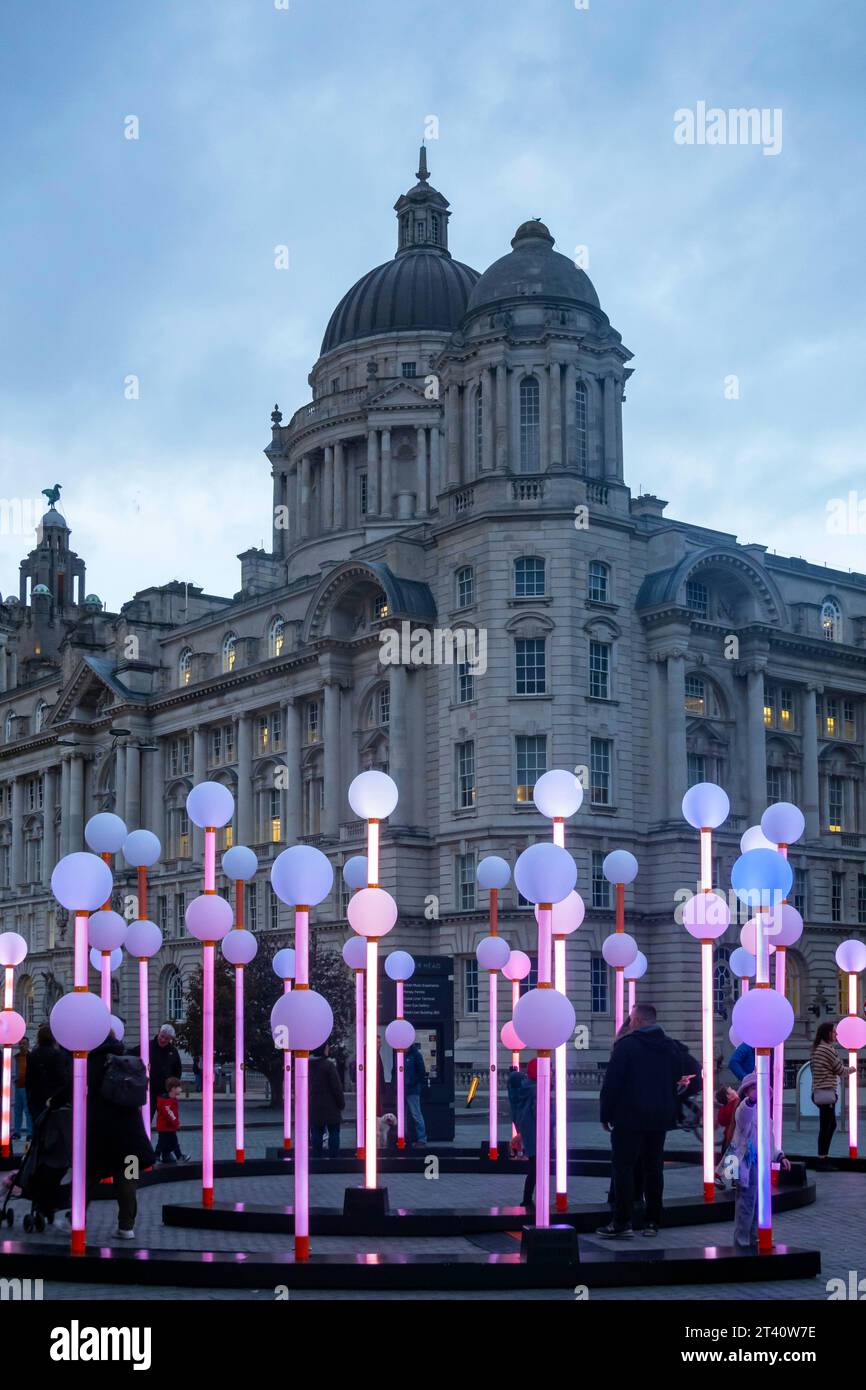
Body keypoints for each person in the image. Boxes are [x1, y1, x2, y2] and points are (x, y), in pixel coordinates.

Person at [597, 1003, 687, 1238]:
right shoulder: (669, 1047)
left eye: (631, 1018)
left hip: (628, 1117)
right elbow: (678, 1076)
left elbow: (612, 1084)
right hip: (658, 1118)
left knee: (624, 1168)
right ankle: (652, 1222)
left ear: (637, 1021)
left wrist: (605, 1115)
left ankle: (622, 1222)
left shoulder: (626, 1046)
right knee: (653, 1169)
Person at [60, 1030, 155, 1241]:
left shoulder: (93, 1062)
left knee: (88, 1177)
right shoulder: (128, 1060)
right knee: (129, 1181)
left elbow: (72, 1088)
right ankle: (126, 1226)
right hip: (131, 1138)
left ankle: (74, 1218)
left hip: (102, 1136)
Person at [729, 1072, 790, 1247]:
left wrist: (779, 1155)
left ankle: (754, 1237)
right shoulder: (744, 1108)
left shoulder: (766, 1116)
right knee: (746, 1205)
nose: (757, 1092)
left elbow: (769, 1140)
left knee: (758, 1205)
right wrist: (751, 1101)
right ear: (746, 1092)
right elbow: (744, 1116)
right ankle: (741, 1241)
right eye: (753, 1088)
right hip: (745, 1163)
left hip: (760, 1164)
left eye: (760, 1089)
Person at [811, 1021, 854, 1162]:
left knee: (830, 1124)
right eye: (834, 1032)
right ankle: (822, 1158)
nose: (836, 1034)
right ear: (827, 1033)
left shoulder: (818, 1048)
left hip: (820, 1090)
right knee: (827, 1126)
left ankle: (823, 1156)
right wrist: (853, 1069)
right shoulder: (827, 1049)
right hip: (826, 1091)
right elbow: (840, 1070)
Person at [507, 1060, 537, 1209]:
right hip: (535, 1135)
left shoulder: (519, 1092)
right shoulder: (534, 1091)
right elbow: (538, 1115)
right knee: (536, 1167)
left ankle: (527, 1199)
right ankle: (527, 1200)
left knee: (535, 1166)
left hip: (528, 1134)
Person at [25, 1023, 69, 1122]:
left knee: (38, 1127)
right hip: (53, 1098)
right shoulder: (57, 1055)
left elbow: (28, 1081)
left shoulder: (33, 1055)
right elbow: (62, 1079)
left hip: (37, 1098)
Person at [309, 1043, 345, 1156]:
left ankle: (316, 1156)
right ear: (323, 1049)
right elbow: (336, 1087)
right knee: (334, 1131)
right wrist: (341, 1103)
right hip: (331, 1105)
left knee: (316, 1131)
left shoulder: (307, 1065)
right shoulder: (328, 1065)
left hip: (313, 1104)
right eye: (327, 1047)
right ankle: (333, 1157)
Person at [155, 1077, 190, 1163]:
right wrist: (176, 1123)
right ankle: (157, 1156)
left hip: (167, 1126)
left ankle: (175, 1156)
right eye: (179, 1087)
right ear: (173, 1089)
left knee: (171, 1143)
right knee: (164, 1143)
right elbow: (170, 1115)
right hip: (166, 1127)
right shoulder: (168, 1102)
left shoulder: (170, 1100)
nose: (180, 1089)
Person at [714, 1084, 740, 1189]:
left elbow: (721, 1120)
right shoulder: (736, 1103)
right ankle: (729, 1179)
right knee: (733, 1157)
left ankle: (731, 1179)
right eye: (732, 1090)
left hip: (728, 1136)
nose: (735, 1090)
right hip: (734, 1136)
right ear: (729, 1096)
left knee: (728, 1158)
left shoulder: (724, 1109)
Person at [149, 1024, 182, 1102]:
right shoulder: (148, 1046)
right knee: (148, 1114)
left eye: (166, 1038)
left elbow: (178, 1070)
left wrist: (173, 1087)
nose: (163, 1040)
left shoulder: (173, 1051)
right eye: (162, 1036)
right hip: (150, 1091)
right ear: (159, 1033)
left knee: (167, 1114)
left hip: (166, 1092)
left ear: (170, 1039)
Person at [404, 1041, 428, 1146]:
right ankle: (403, 1137)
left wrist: (412, 1083)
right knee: (403, 1115)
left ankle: (422, 1139)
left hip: (412, 1089)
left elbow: (421, 1072)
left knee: (416, 1114)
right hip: (404, 1089)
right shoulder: (403, 1054)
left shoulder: (416, 1055)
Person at [12, 1038, 31, 1140]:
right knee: (17, 1111)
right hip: (18, 1087)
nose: (22, 1046)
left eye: (24, 1044)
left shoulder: (31, 1057)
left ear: (28, 1045)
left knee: (28, 1112)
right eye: (20, 1044)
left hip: (27, 1087)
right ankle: (17, 1132)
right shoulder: (16, 1057)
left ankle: (30, 1132)